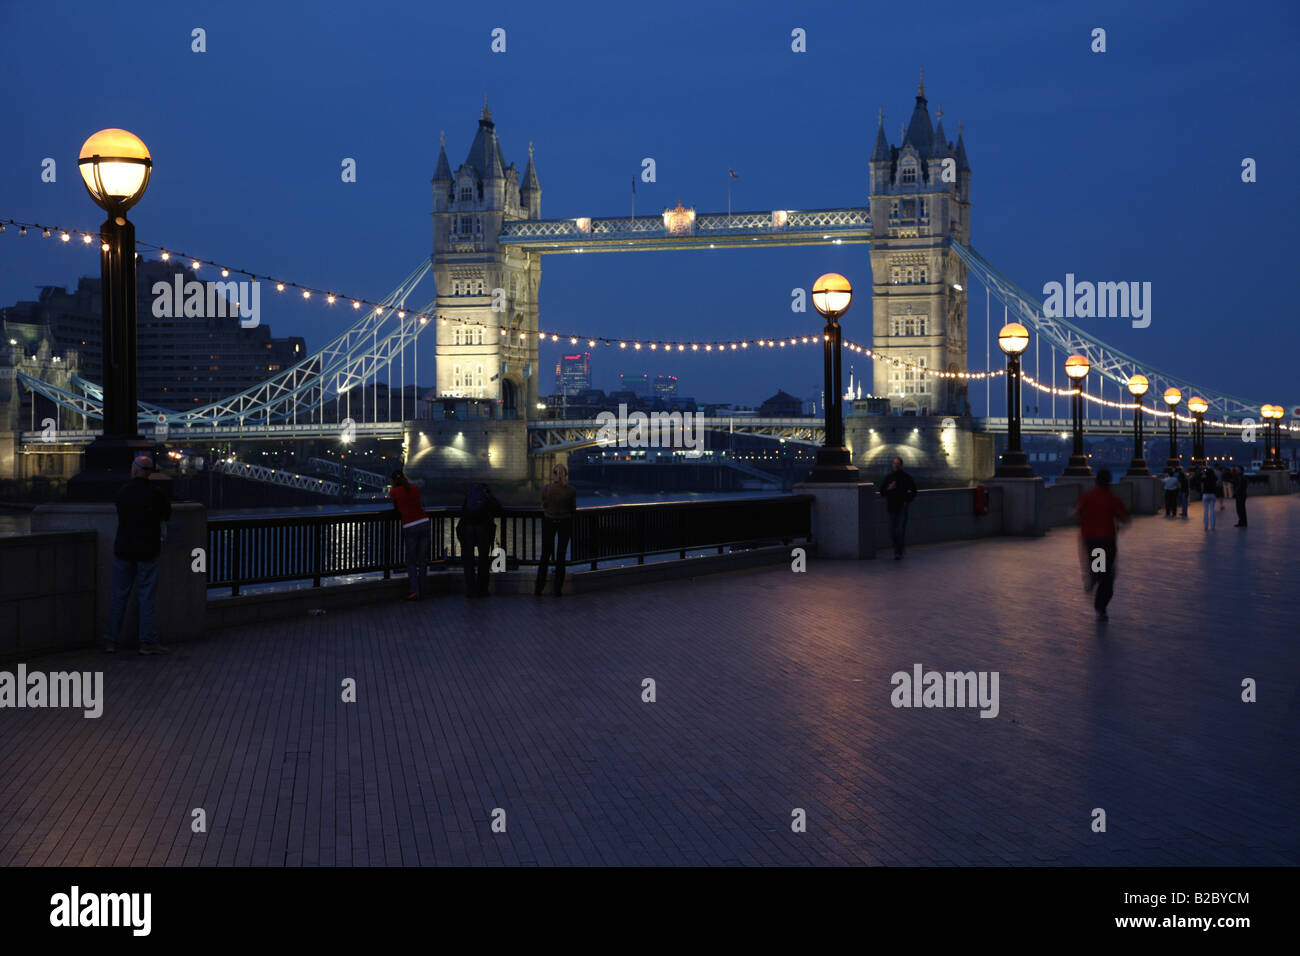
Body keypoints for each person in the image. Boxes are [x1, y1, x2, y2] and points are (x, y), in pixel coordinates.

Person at [104, 455, 172, 654]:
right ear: (150, 473)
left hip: (124, 549)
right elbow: (166, 515)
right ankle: (147, 642)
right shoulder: (156, 494)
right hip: (148, 550)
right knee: (147, 597)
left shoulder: (122, 492)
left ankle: (111, 640)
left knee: (119, 596)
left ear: (134, 470)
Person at [1071, 468, 1131, 621]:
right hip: (1105, 539)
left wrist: (1083, 521)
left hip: (1089, 539)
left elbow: (1075, 512)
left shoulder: (1087, 496)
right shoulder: (1112, 498)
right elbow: (1125, 518)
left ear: (1096, 481)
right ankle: (1100, 607)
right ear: (1109, 482)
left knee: (1101, 568)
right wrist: (1119, 525)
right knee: (1106, 577)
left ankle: (1093, 576)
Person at [535, 462, 578, 596]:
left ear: (553, 475)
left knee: (545, 555)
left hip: (549, 522)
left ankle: (539, 588)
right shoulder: (571, 490)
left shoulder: (547, 488)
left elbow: (544, 504)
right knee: (561, 556)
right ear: (565, 475)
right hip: (565, 523)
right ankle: (557, 589)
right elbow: (573, 509)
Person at [389, 470, 430, 600]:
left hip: (410, 525)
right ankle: (423, 590)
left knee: (411, 561)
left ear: (393, 481)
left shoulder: (394, 492)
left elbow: (396, 508)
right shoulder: (415, 488)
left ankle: (414, 591)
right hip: (424, 522)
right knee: (423, 560)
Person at [457, 481, 501, 597]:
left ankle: (471, 590)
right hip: (483, 530)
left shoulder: (470, 498)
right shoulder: (487, 497)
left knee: (468, 561)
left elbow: (463, 512)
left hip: (467, 530)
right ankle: (482, 590)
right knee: (483, 560)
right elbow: (498, 508)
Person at [878, 456, 918, 560]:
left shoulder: (906, 477)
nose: (895, 465)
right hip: (891, 507)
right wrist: (889, 488)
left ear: (900, 465)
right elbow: (882, 492)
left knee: (900, 530)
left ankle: (898, 552)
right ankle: (899, 548)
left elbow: (914, 491)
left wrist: (907, 500)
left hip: (902, 507)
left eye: (897, 464)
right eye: (894, 463)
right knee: (891, 531)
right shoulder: (889, 477)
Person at [1201, 465, 1218, 530]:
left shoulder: (1205, 478)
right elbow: (1216, 478)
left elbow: (1200, 479)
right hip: (1213, 494)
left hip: (1205, 494)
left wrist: (1203, 473)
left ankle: (1205, 526)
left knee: (1205, 510)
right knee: (1212, 510)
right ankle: (1212, 525)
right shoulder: (1214, 478)